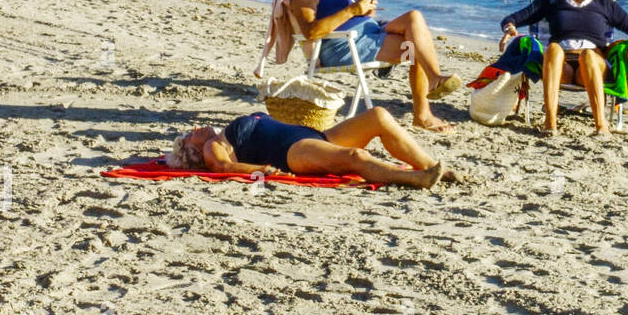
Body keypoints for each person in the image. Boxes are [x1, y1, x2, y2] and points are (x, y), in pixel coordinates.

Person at [290, 0, 461, 132]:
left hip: (369, 30)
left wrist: (365, 7)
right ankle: (424, 112)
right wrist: (353, 10)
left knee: (414, 17)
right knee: (417, 47)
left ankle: (433, 80)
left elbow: (350, 6)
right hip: (345, 45)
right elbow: (311, 32)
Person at [499, 0, 628, 135]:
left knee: (588, 54)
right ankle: (550, 123)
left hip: (593, 65)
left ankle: (601, 126)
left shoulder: (604, 3)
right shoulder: (552, 0)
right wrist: (509, 28)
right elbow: (513, 18)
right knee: (552, 48)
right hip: (562, 66)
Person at [167, 107, 446, 189]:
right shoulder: (213, 148)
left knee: (379, 116)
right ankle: (415, 179)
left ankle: (427, 166)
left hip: (313, 136)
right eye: (188, 136)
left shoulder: (219, 135)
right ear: (191, 153)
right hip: (291, 151)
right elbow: (224, 168)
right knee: (356, 157)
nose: (194, 129)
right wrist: (265, 171)